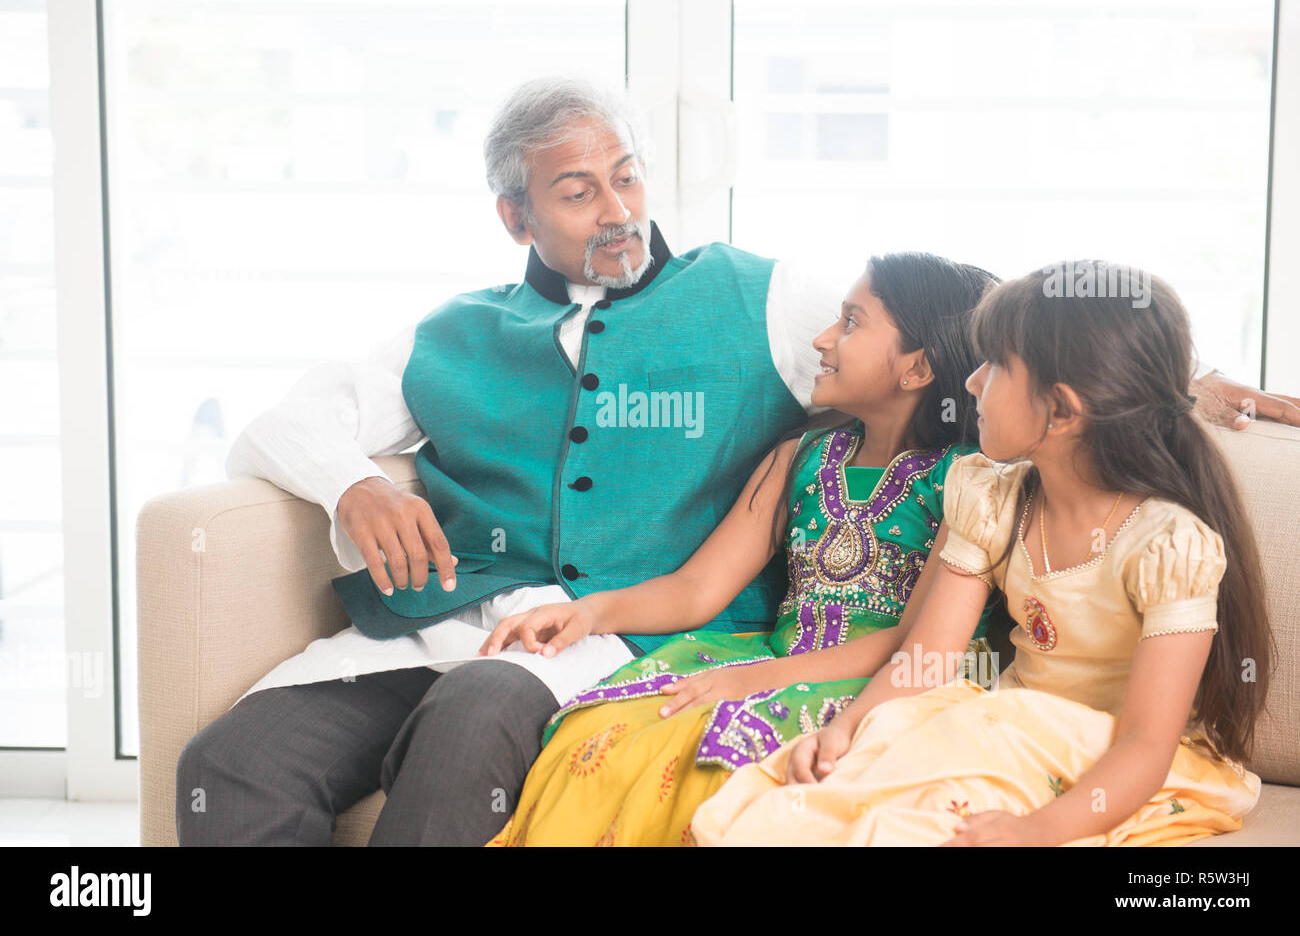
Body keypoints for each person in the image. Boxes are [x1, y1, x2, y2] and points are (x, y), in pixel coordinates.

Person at [174, 71, 1286, 846]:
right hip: (428, 628)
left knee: (472, 726)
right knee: (231, 766)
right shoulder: (450, 330)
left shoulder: (759, 300)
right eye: (576, 191)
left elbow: (965, 319)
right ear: (514, 214)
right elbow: (284, 421)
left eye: (626, 175)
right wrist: (356, 481)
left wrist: (1171, 384)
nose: (616, 209)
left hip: (594, 645)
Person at [691, 261, 1273, 846]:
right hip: (1006, 727)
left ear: (1062, 411)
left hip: (1114, 763)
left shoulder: (1169, 546)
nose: (969, 383)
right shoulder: (990, 499)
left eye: (995, 366)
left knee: (903, 821)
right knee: (803, 796)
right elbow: (927, 659)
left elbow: (1147, 747)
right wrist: (846, 728)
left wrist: (1036, 832)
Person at [480, 252, 1006, 846]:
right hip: (772, 656)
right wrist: (590, 612)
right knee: (614, 728)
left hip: (890, 685)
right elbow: (697, 588)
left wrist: (760, 679)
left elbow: (915, 645)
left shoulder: (967, 481)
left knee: (726, 749)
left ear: (917, 370)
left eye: (851, 324)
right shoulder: (801, 457)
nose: (823, 339)